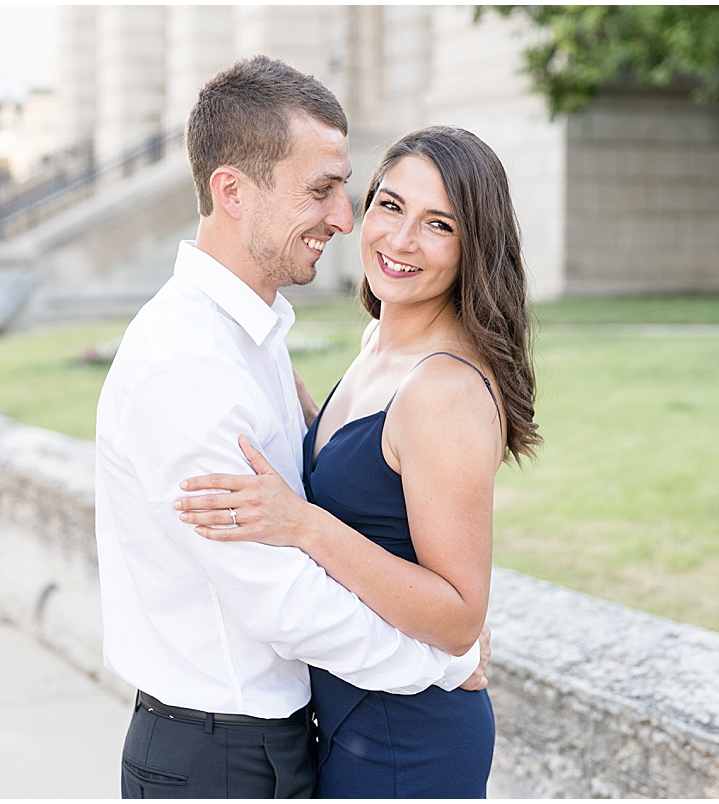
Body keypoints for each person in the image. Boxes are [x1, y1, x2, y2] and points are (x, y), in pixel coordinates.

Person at [94, 57, 488, 799]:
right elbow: (285, 603)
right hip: (219, 758)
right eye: (322, 190)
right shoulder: (189, 364)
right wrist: (442, 662)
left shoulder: (255, 334)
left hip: (284, 741)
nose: (345, 218)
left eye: (345, 189)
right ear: (232, 192)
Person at [176, 125, 542, 798]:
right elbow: (375, 480)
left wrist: (304, 525)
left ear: (474, 248)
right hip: (351, 717)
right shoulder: (382, 341)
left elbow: (461, 613)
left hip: (409, 741)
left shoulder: (444, 389)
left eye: (439, 225)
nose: (400, 240)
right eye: (390, 205)